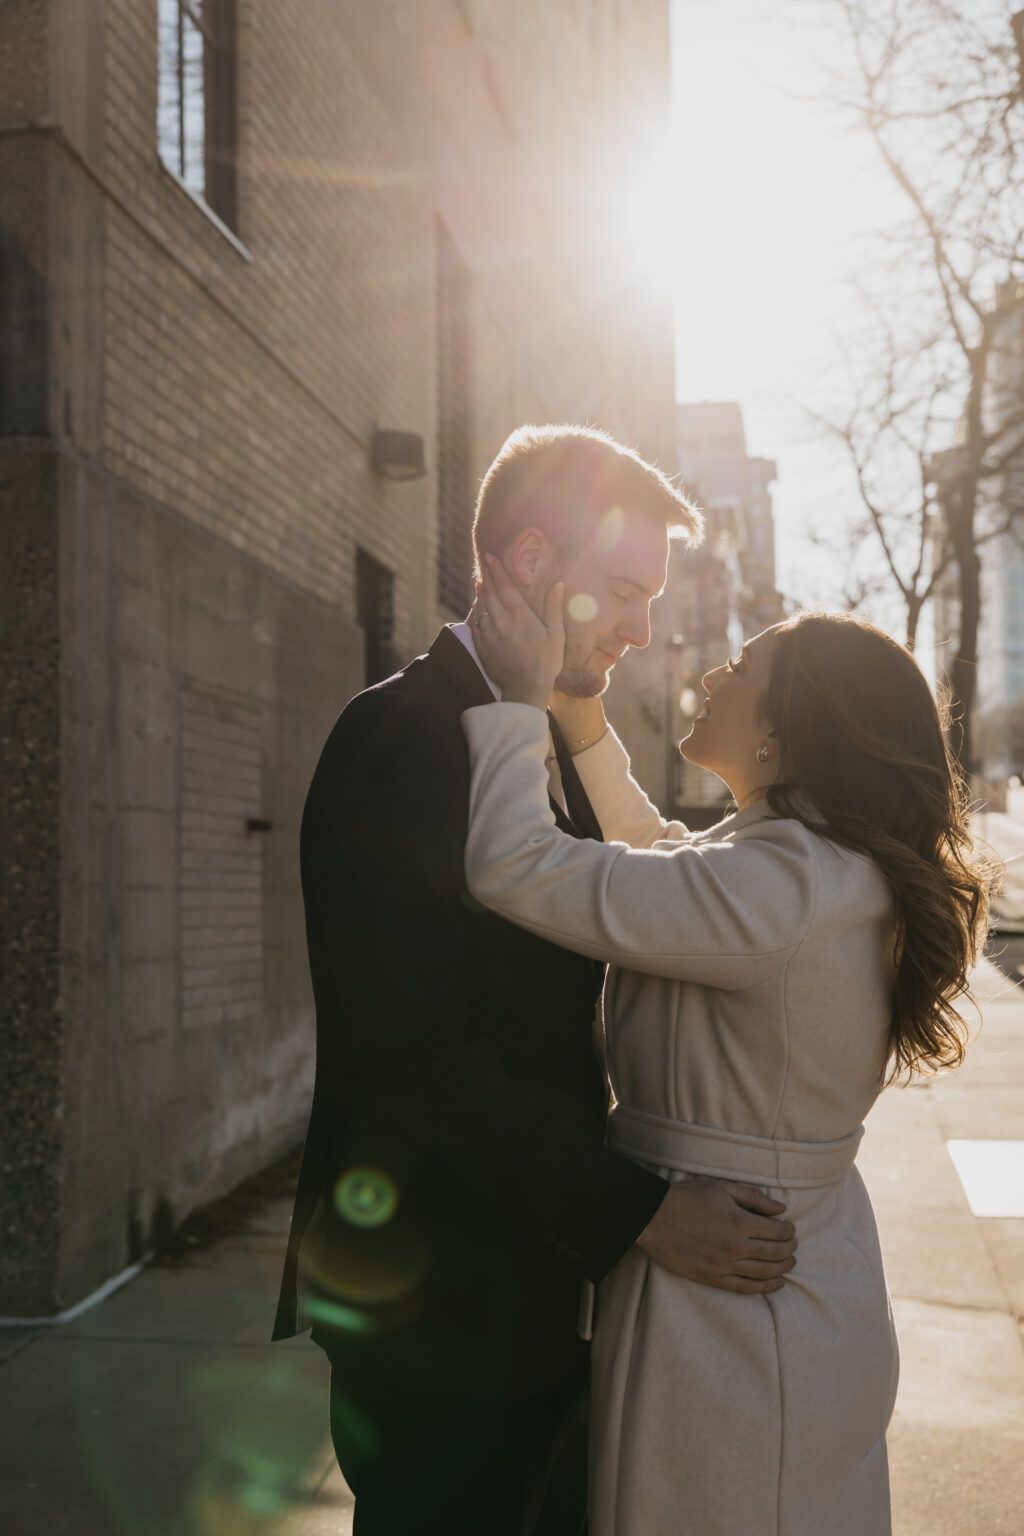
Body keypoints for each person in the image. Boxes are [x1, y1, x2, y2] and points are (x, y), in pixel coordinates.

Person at [272, 424, 799, 1536]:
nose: (645, 631)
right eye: (620, 590)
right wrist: (642, 1214)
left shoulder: (537, 736)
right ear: (525, 566)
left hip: (531, 1298)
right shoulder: (399, 736)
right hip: (433, 1312)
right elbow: (415, 1055)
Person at [463, 566, 992, 1536]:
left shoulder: (787, 886)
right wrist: (580, 723)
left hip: (742, 1290)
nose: (711, 675)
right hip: (749, 1265)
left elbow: (518, 866)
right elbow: (664, 863)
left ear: (782, 732)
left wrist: (513, 699)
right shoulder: (799, 863)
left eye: (739, 668)